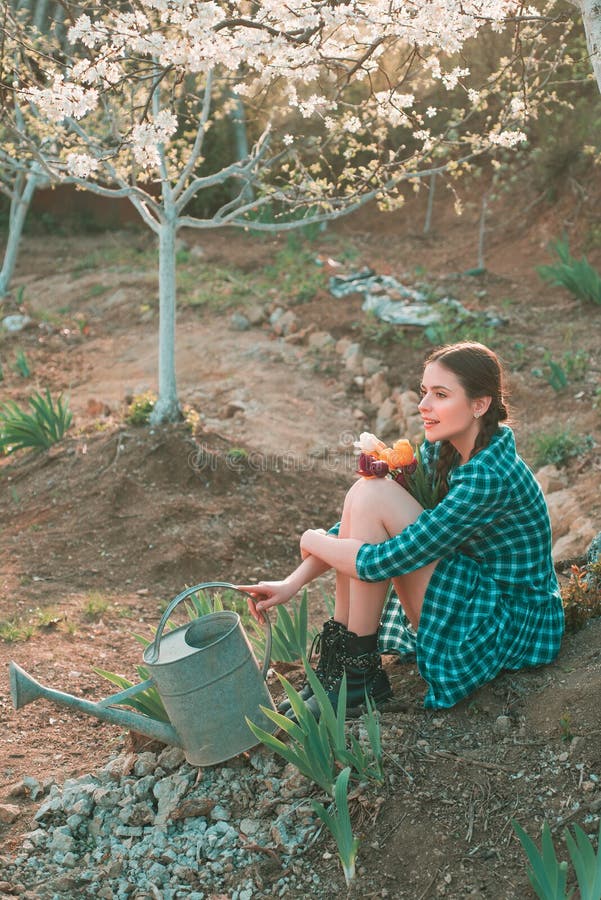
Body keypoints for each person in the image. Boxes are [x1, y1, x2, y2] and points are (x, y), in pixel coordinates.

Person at [239, 341, 565, 713]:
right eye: (424, 392)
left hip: (513, 626)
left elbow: (384, 560)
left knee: (373, 496)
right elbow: (357, 530)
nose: (424, 406)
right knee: (366, 491)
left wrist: (309, 539)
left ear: (480, 404)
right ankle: (346, 671)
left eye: (440, 395)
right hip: (476, 592)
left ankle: (356, 678)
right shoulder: (442, 451)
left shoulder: (489, 475)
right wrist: (292, 582)